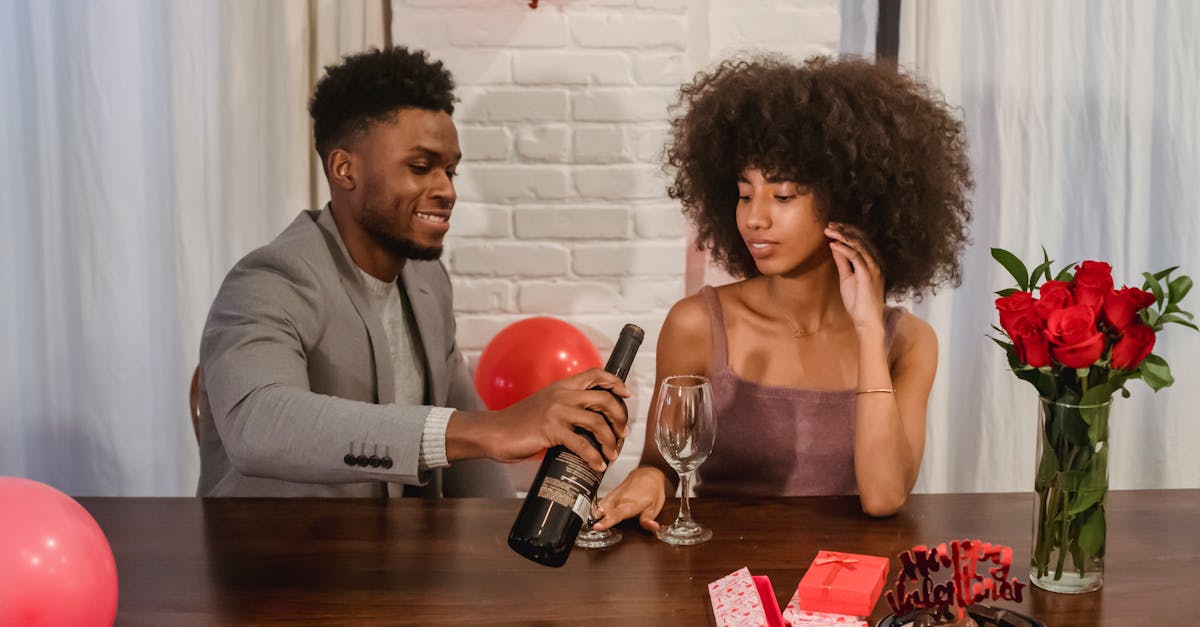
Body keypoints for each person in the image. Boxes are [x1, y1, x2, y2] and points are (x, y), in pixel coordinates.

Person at [196, 47, 629, 497]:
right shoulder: (269, 279)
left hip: (394, 562)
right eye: (420, 168)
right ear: (345, 169)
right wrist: (491, 429)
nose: (445, 190)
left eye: (450, 171)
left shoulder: (426, 282)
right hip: (276, 561)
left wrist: (508, 541)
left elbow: (472, 448)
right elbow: (258, 424)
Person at [593, 55, 973, 526]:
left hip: (849, 582)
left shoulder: (909, 343)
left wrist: (869, 331)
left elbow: (883, 497)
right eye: (745, 193)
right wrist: (650, 479)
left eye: (783, 196)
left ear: (851, 199)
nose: (755, 218)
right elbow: (664, 468)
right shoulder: (697, 325)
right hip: (724, 578)